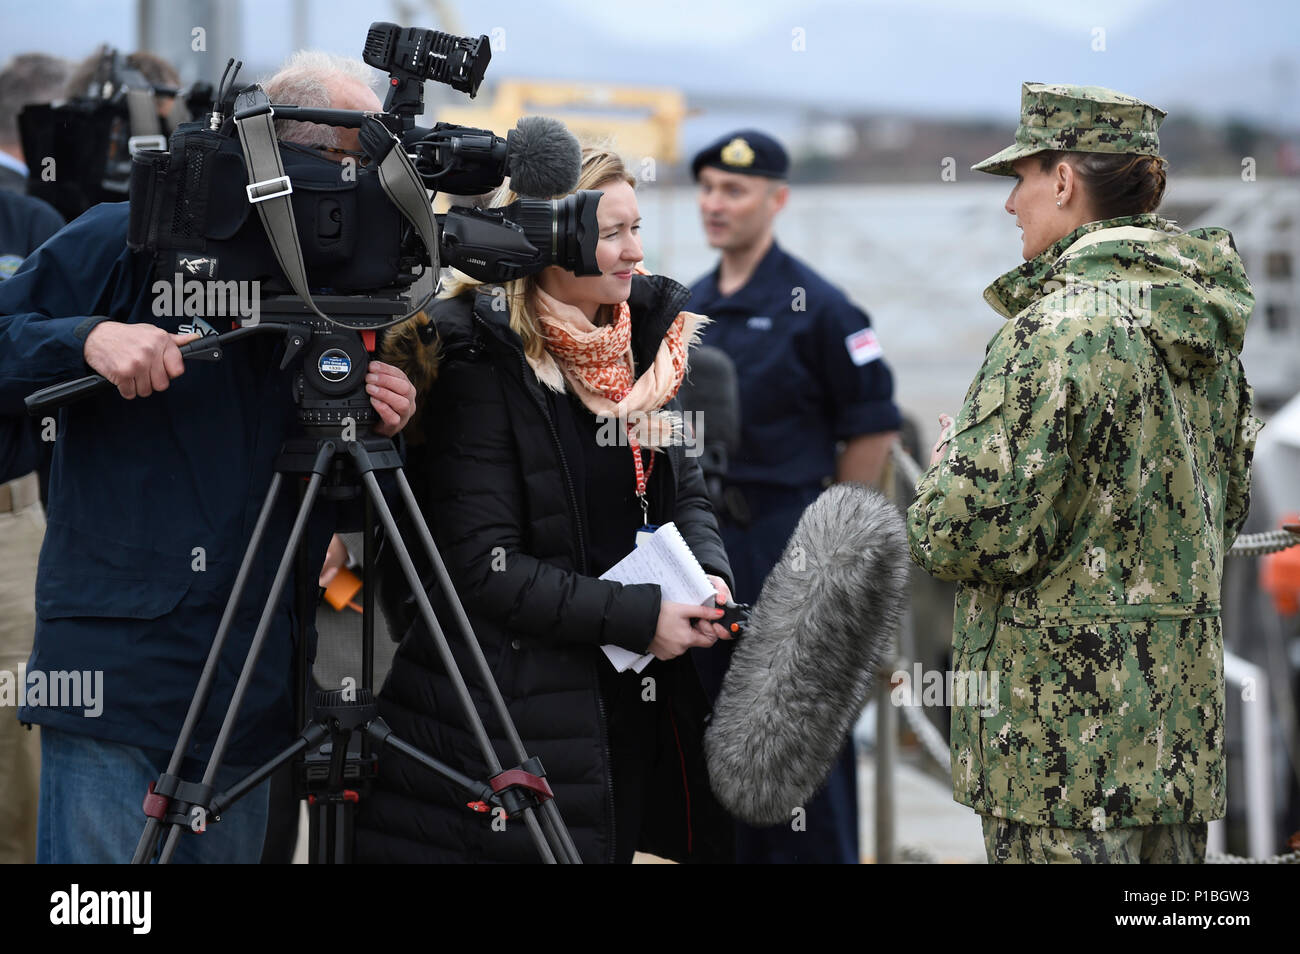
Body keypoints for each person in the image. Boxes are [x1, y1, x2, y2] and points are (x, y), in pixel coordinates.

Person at [0, 51, 416, 864]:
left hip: (251, 696)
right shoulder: (128, 237)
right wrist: (84, 338)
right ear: (291, 153)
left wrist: (375, 418)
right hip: (120, 683)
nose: (365, 186)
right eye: (351, 161)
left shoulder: (341, 288)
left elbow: (338, 534)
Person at [907, 83, 1261, 864]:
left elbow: (964, 536)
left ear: (1063, 180)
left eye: (1021, 180)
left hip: (1057, 758)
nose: (1012, 206)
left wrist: (945, 471)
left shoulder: (1055, 329)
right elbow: (1222, 513)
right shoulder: (1202, 325)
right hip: (1174, 742)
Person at [354, 148, 736, 864]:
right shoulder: (477, 357)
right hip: (514, 714)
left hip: (627, 705)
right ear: (551, 241)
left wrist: (709, 575)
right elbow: (483, 569)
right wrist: (642, 617)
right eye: (614, 232)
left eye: (638, 227)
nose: (637, 251)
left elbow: (685, 493)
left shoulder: (641, 346)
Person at [686, 129, 902, 864]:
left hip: (789, 541)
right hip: (706, 547)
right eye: (708, 188)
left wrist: (832, 549)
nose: (716, 204)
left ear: (777, 199)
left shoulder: (824, 310)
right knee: (713, 733)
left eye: (735, 190)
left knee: (799, 742)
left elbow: (873, 428)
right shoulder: (689, 307)